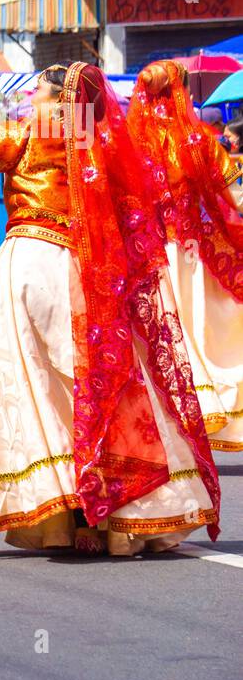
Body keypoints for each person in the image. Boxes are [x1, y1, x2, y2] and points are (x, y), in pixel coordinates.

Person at [0, 43, 221, 556]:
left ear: (60, 103)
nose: (31, 100)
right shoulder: (103, 144)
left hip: (26, 270)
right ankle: (95, 515)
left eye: (39, 93)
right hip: (85, 275)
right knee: (88, 390)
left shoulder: (30, 134)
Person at [127, 60, 243, 451]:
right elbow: (232, 196)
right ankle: (202, 408)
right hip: (191, 257)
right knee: (203, 334)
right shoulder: (197, 140)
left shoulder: (129, 145)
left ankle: (168, 420)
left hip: (147, 258)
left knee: (157, 338)